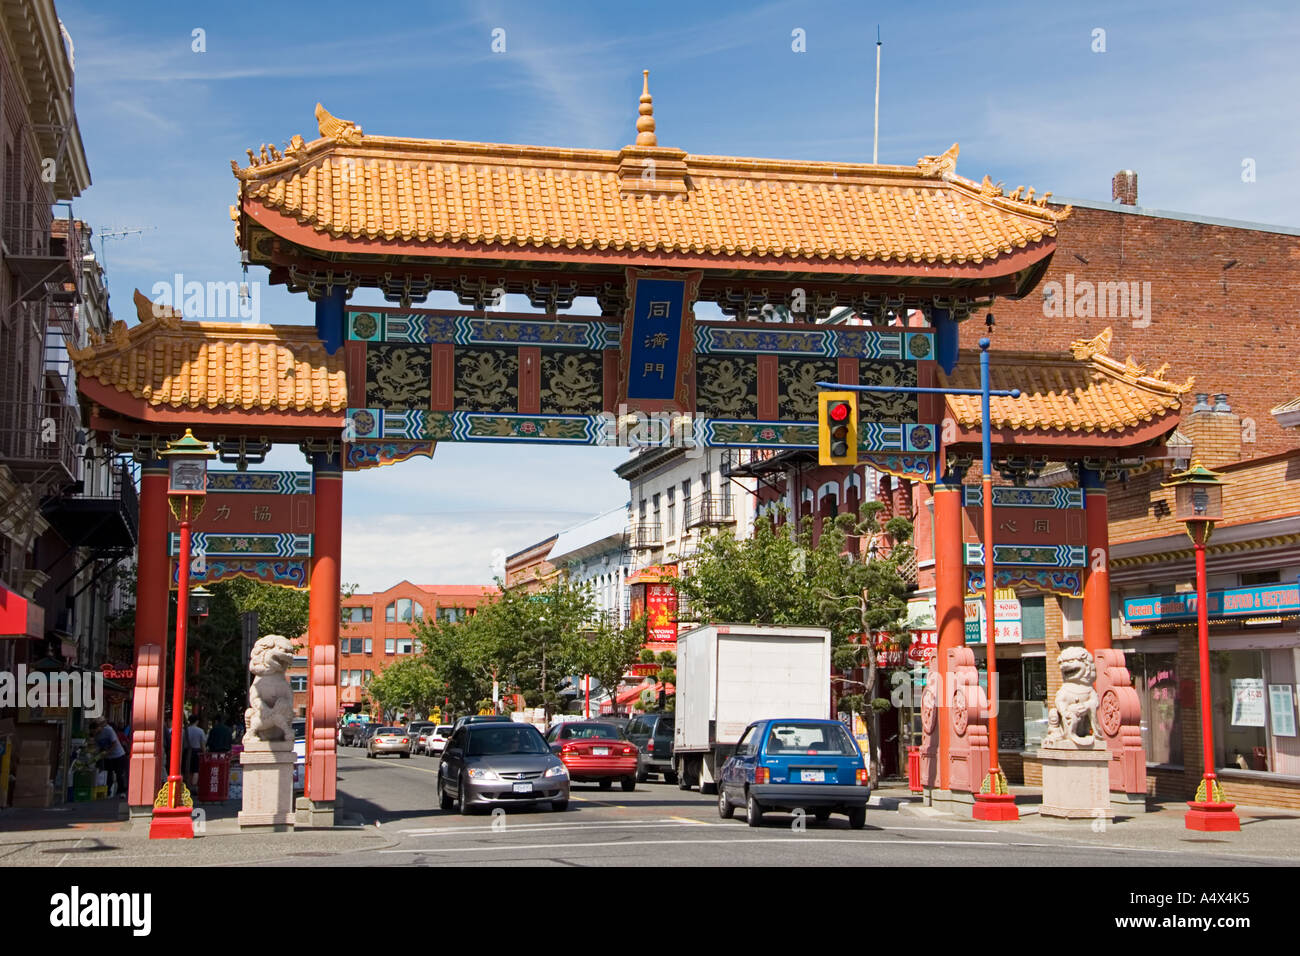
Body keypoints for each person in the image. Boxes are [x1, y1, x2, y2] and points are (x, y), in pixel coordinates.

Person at [93, 719, 127, 798]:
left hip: (118, 755)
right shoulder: (96, 735)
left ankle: (121, 792)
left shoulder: (108, 730)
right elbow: (97, 746)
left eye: (95, 731)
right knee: (108, 774)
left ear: (98, 727)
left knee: (119, 774)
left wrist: (107, 752)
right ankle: (108, 791)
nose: (94, 733)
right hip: (107, 757)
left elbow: (114, 743)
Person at [185, 713, 206, 790]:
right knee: (196, 770)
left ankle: (187, 785)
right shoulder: (200, 731)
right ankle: (194, 786)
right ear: (197, 721)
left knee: (187, 769)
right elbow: (202, 744)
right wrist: (204, 753)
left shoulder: (185, 730)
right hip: (197, 751)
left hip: (186, 751)